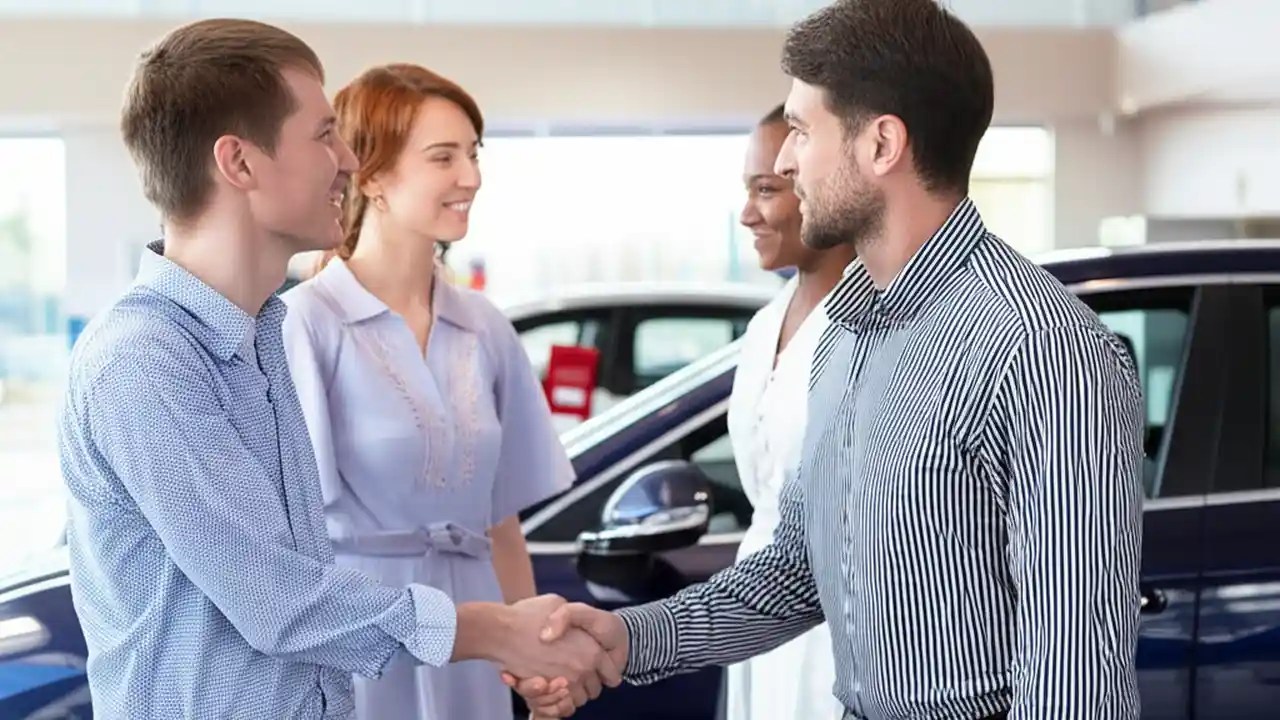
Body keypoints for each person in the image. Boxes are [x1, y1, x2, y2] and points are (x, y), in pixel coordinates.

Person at [511, 1, 1146, 718]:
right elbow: (795, 572)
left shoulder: (1040, 348)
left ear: (881, 145)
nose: (784, 159)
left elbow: (1075, 671)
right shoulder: (843, 336)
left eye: (803, 131)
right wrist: (627, 639)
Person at [56, 19, 616, 719]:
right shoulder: (143, 363)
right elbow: (276, 601)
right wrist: (494, 630)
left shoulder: (263, 334)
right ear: (240, 163)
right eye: (324, 135)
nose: (349, 161)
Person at [280, 63, 574, 720]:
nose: (470, 176)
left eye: (473, 154)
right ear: (373, 174)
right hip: (364, 638)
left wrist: (526, 652)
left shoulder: (485, 325)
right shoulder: (310, 322)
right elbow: (292, 546)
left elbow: (501, 526)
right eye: (444, 157)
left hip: (475, 633)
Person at [722, 103, 854, 720]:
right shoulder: (762, 326)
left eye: (767, 190)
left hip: (840, 618)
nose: (748, 213)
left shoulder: (873, 328)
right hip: (761, 599)